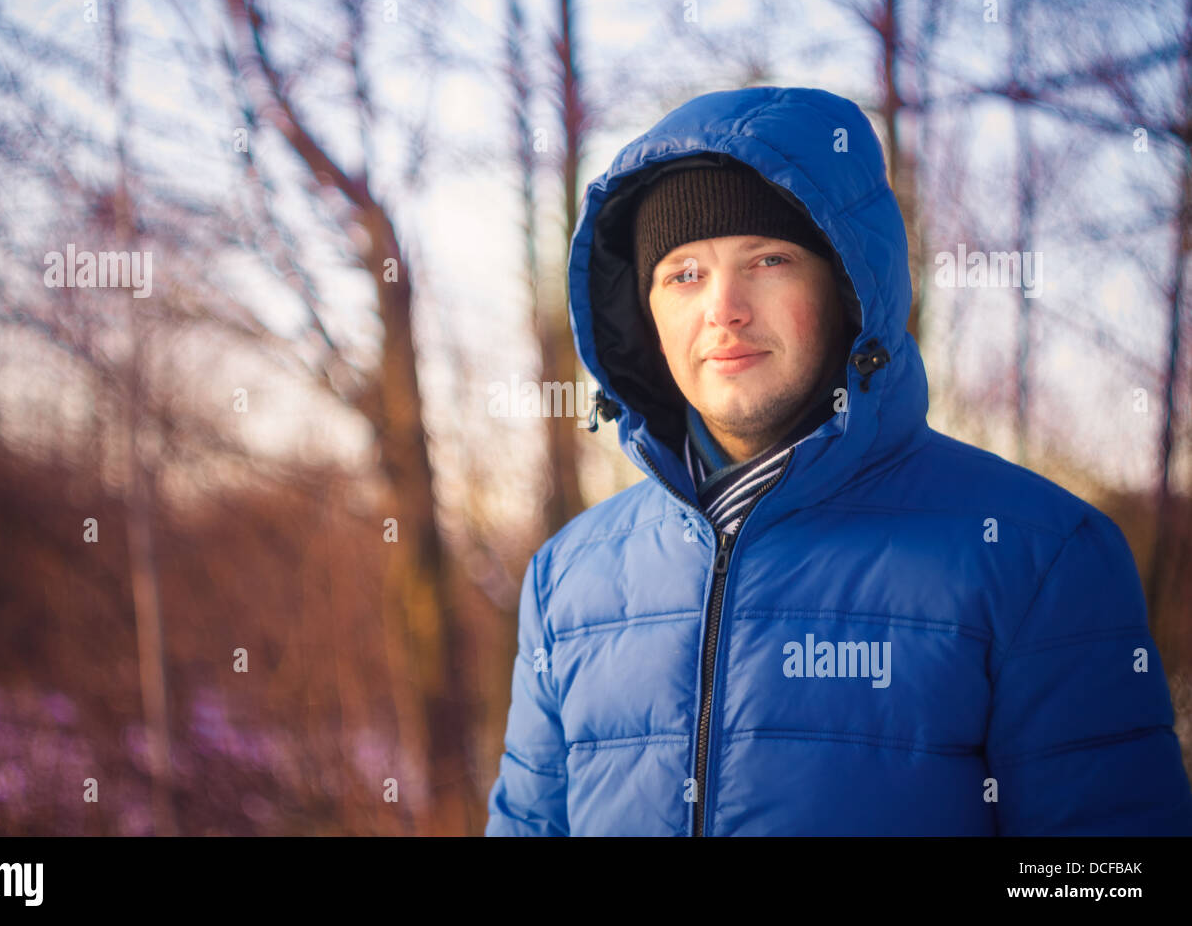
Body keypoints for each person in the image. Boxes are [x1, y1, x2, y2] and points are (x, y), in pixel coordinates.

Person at [484, 85, 1192, 835]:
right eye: (684, 273)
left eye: (768, 259)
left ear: (847, 291)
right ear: (646, 314)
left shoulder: (1038, 557)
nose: (723, 307)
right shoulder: (566, 579)